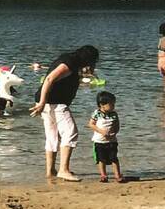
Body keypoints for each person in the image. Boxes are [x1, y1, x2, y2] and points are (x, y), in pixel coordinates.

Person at [29, 45, 99, 181]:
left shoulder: (70, 60)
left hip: (51, 102)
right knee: (70, 132)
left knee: (52, 136)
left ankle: (50, 171)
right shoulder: (70, 63)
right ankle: (63, 170)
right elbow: (49, 79)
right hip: (55, 102)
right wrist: (42, 102)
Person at [88, 92, 122, 183]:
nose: (113, 106)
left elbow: (117, 125)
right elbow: (91, 124)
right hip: (99, 141)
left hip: (112, 141)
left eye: (114, 104)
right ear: (102, 105)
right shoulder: (97, 113)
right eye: (111, 104)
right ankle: (103, 175)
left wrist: (114, 132)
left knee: (114, 158)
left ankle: (117, 175)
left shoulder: (114, 114)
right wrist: (101, 131)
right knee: (101, 159)